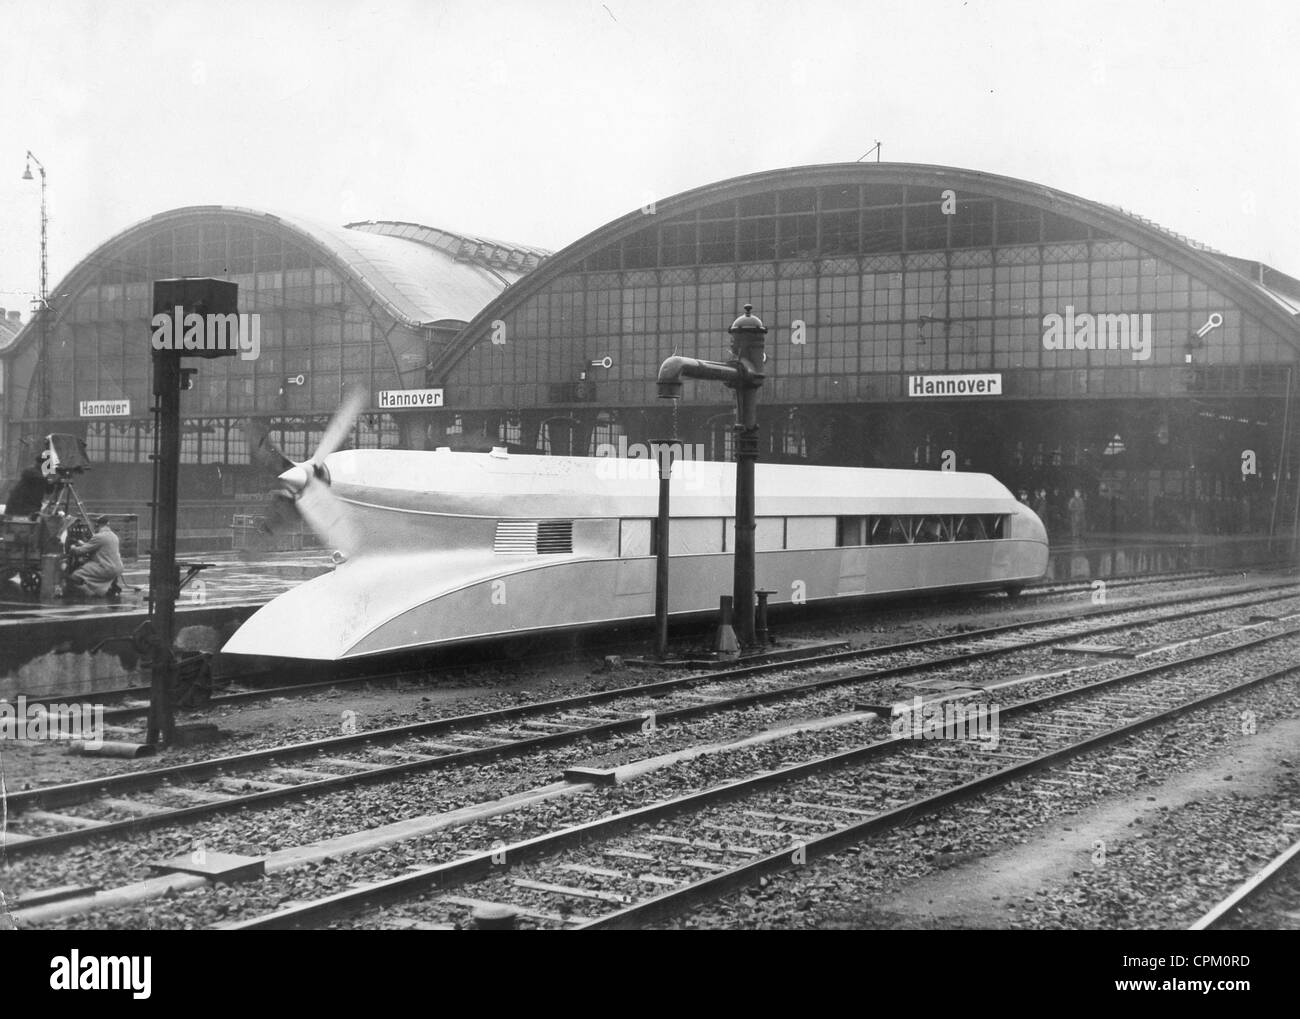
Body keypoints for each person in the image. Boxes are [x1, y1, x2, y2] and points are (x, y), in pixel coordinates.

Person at [66, 515, 124, 598]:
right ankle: (108, 589)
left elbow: (81, 550)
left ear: (98, 525)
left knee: (76, 575)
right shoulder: (114, 536)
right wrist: (82, 543)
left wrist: (73, 548)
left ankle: (83, 594)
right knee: (92, 569)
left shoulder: (99, 536)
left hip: (106, 568)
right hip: (117, 568)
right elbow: (96, 546)